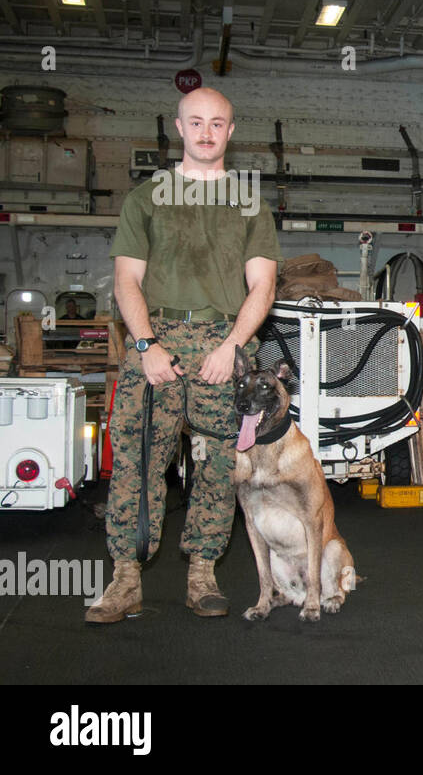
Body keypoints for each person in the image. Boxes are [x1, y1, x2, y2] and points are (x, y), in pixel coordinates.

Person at [85, 87, 280, 624]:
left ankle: (202, 575)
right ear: (179, 126)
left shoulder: (250, 205)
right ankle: (125, 580)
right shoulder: (146, 198)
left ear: (231, 132)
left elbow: (262, 288)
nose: (206, 132)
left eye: (218, 123)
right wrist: (146, 346)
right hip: (159, 342)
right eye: (196, 122)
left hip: (223, 346)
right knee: (136, 462)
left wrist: (232, 347)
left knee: (218, 467)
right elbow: (127, 280)